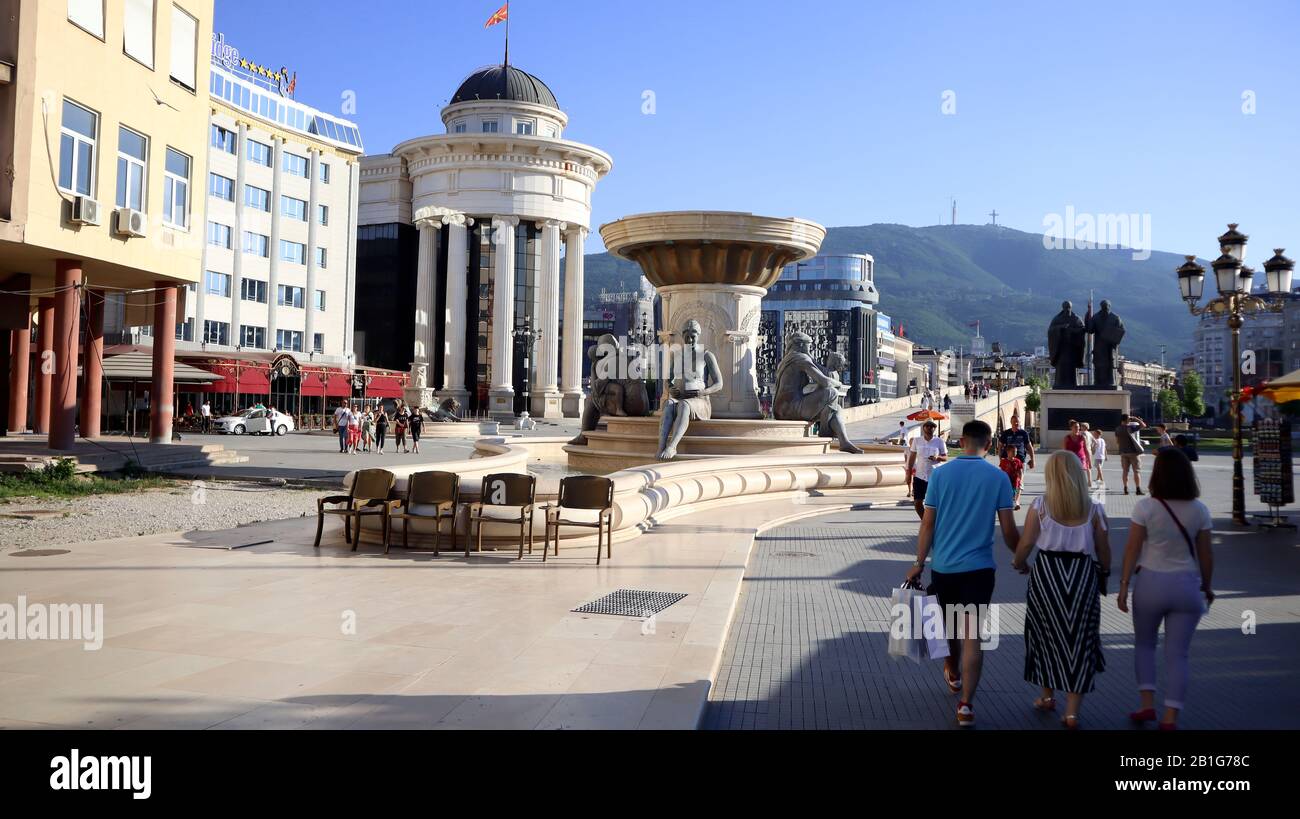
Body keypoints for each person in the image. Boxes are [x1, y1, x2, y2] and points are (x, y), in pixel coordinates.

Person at [905, 420, 1020, 728]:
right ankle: (966, 704)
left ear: (962, 440)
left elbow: (927, 524)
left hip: (944, 567)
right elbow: (1009, 531)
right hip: (980, 570)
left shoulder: (941, 475)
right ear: (990, 442)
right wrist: (1021, 556)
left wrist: (919, 562)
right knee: (972, 635)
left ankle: (952, 671)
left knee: (945, 628)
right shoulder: (998, 478)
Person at [1117, 447, 1214, 730]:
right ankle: (1171, 716)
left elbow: (1132, 550)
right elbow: (1206, 555)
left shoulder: (1146, 507)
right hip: (1186, 585)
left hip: (1150, 583)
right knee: (1178, 654)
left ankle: (1147, 705)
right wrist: (1207, 586)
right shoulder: (1200, 510)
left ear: (1157, 474)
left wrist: (1123, 586)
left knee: (1145, 645)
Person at [1012, 452, 1111, 729]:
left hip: (1047, 576)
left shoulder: (1040, 506)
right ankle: (1071, 713)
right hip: (1082, 576)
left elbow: (1027, 543)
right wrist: (1104, 573)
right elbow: (1105, 552)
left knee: (1044, 633)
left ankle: (1046, 696)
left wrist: (1018, 563)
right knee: (1079, 638)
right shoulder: (1094, 509)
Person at [907, 421, 948, 519]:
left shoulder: (939, 441)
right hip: (920, 476)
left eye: (932, 426)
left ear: (934, 429)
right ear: (923, 428)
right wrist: (908, 473)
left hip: (934, 476)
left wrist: (937, 457)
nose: (930, 428)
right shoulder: (917, 441)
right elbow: (912, 458)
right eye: (927, 426)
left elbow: (946, 457)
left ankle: (934, 523)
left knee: (935, 503)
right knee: (917, 503)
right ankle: (925, 521)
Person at [1115, 415, 1147, 495]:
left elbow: (1117, 441)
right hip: (1133, 452)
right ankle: (1138, 489)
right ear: (1127, 420)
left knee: (1125, 471)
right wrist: (1136, 419)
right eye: (1129, 419)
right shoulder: (1130, 428)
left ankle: (1125, 488)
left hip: (1123, 452)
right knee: (1136, 471)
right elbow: (1143, 425)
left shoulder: (1117, 429)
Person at [998, 443, 1024, 511]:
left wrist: (1020, 480)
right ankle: (1011, 504)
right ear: (1008, 452)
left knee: (1014, 492)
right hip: (1007, 481)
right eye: (1013, 452)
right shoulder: (1004, 461)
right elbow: (1001, 472)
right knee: (1008, 493)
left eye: (1015, 452)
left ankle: (1014, 503)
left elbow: (1020, 472)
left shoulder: (1018, 461)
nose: (1015, 453)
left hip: (1015, 481)